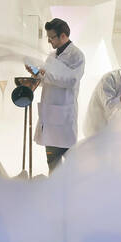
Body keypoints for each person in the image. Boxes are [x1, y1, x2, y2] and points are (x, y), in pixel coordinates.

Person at [27, 18, 85, 173]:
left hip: (64, 116)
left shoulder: (77, 56)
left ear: (63, 36)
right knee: (52, 162)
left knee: (70, 164)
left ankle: (70, 193)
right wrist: (35, 74)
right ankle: (54, 192)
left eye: (52, 37)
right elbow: (45, 78)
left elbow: (71, 80)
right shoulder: (52, 56)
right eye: (49, 37)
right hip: (50, 114)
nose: (49, 41)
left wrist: (43, 74)